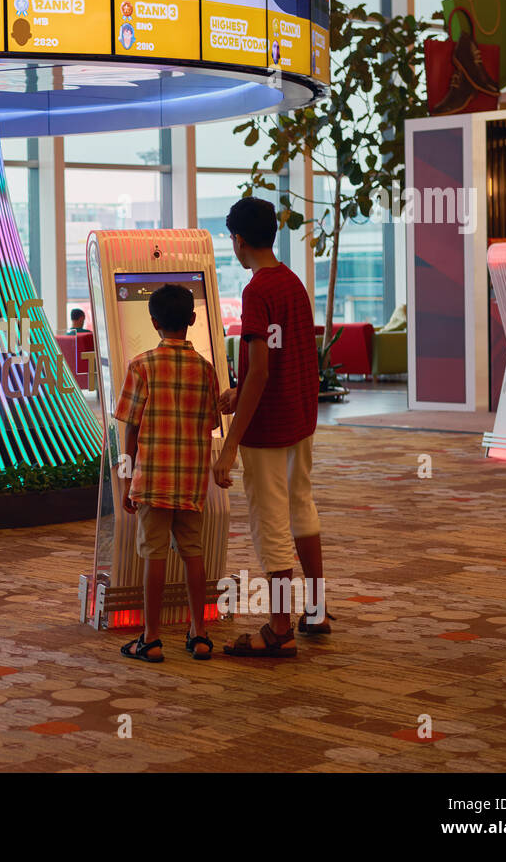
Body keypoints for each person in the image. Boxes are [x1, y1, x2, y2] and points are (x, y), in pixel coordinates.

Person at [213, 197, 327, 659]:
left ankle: (279, 626)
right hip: (299, 419)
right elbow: (280, 357)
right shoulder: (292, 283)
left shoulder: (257, 290)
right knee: (302, 508)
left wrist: (230, 444)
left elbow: (261, 369)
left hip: (268, 427)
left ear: (239, 241)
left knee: (271, 524)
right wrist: (239, 390)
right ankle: (314, 610)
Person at [115, 284, 220, 663]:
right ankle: (201, 633)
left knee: (154, 555)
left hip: (153, 480)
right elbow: (209, 425)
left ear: (154, 322)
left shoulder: (141, 366)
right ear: (192, 320)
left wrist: (127, 480)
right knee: (193, 553)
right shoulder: (206, 371)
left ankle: (152, 637)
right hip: (191, 481)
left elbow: (129, 428)